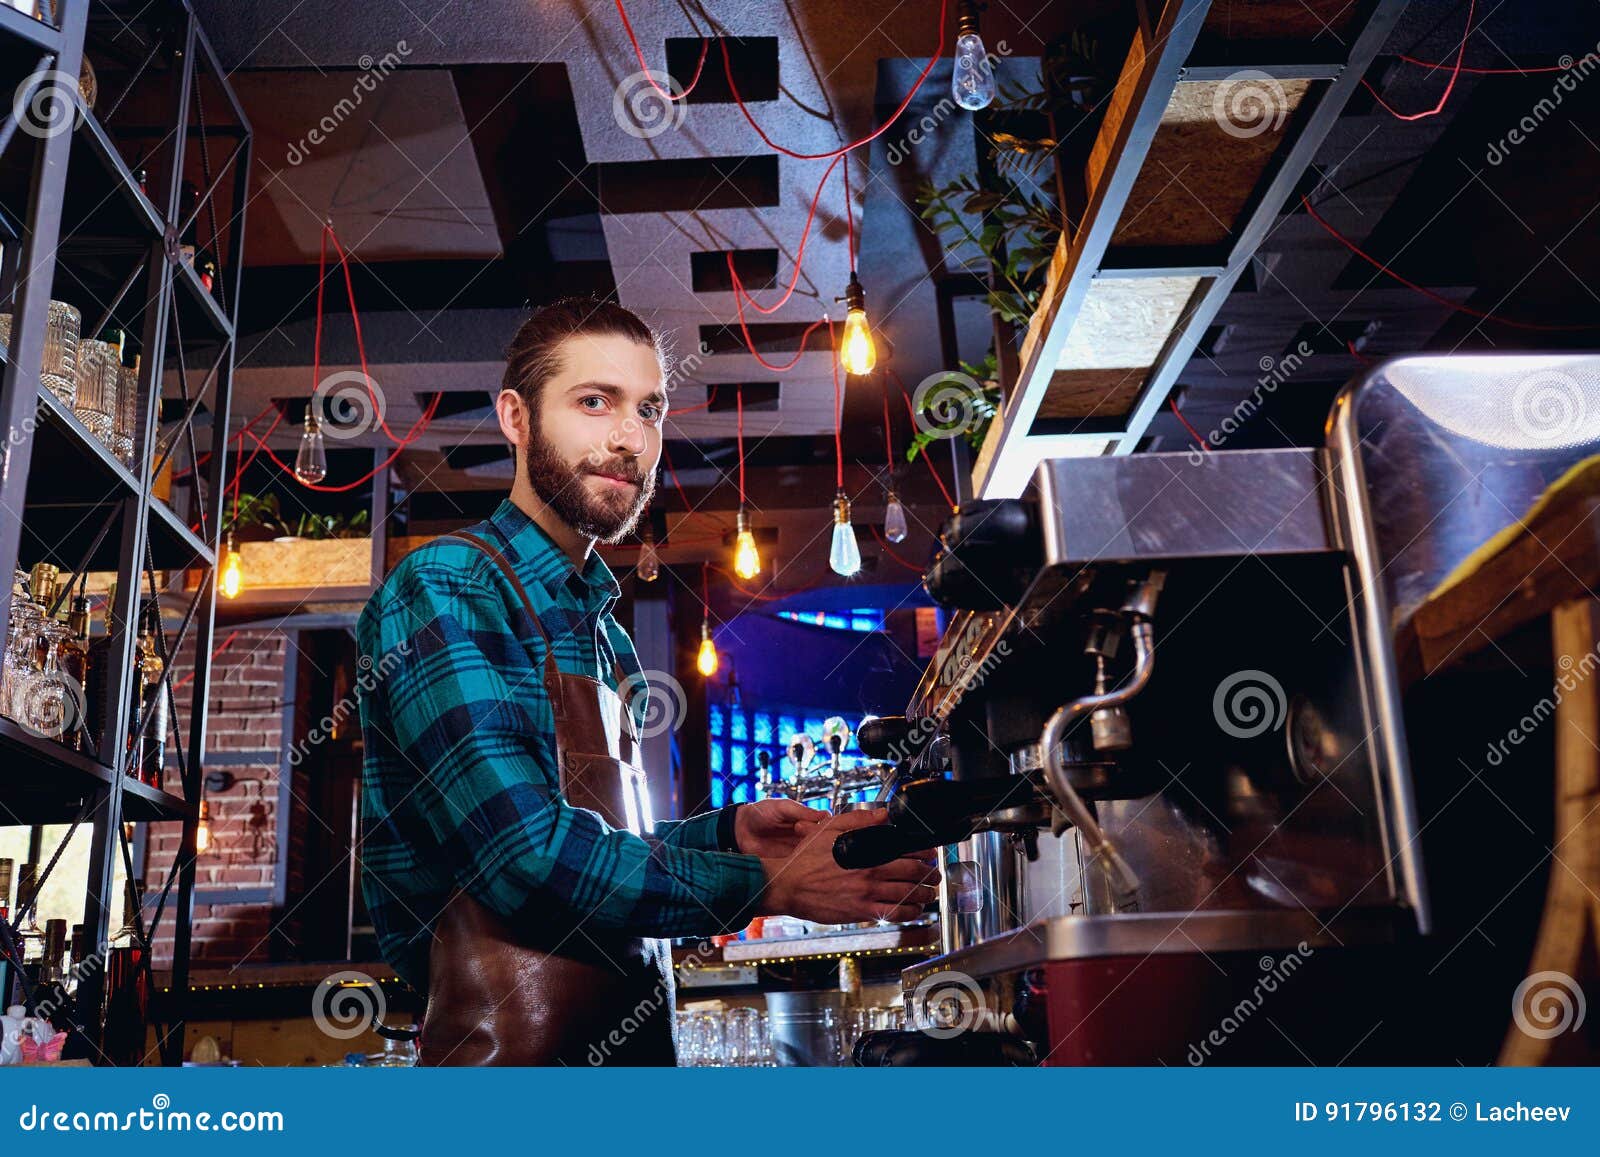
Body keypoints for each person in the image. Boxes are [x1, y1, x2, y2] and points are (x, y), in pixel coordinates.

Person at [356, 297, 936, 1066]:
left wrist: (728, 833)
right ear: (516, 418)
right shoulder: (450, 586)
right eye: (595, 402)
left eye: (649, 409)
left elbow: (607, 845)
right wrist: (767, 881)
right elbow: (524, 857)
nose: (630, 438)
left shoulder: (608, 631)